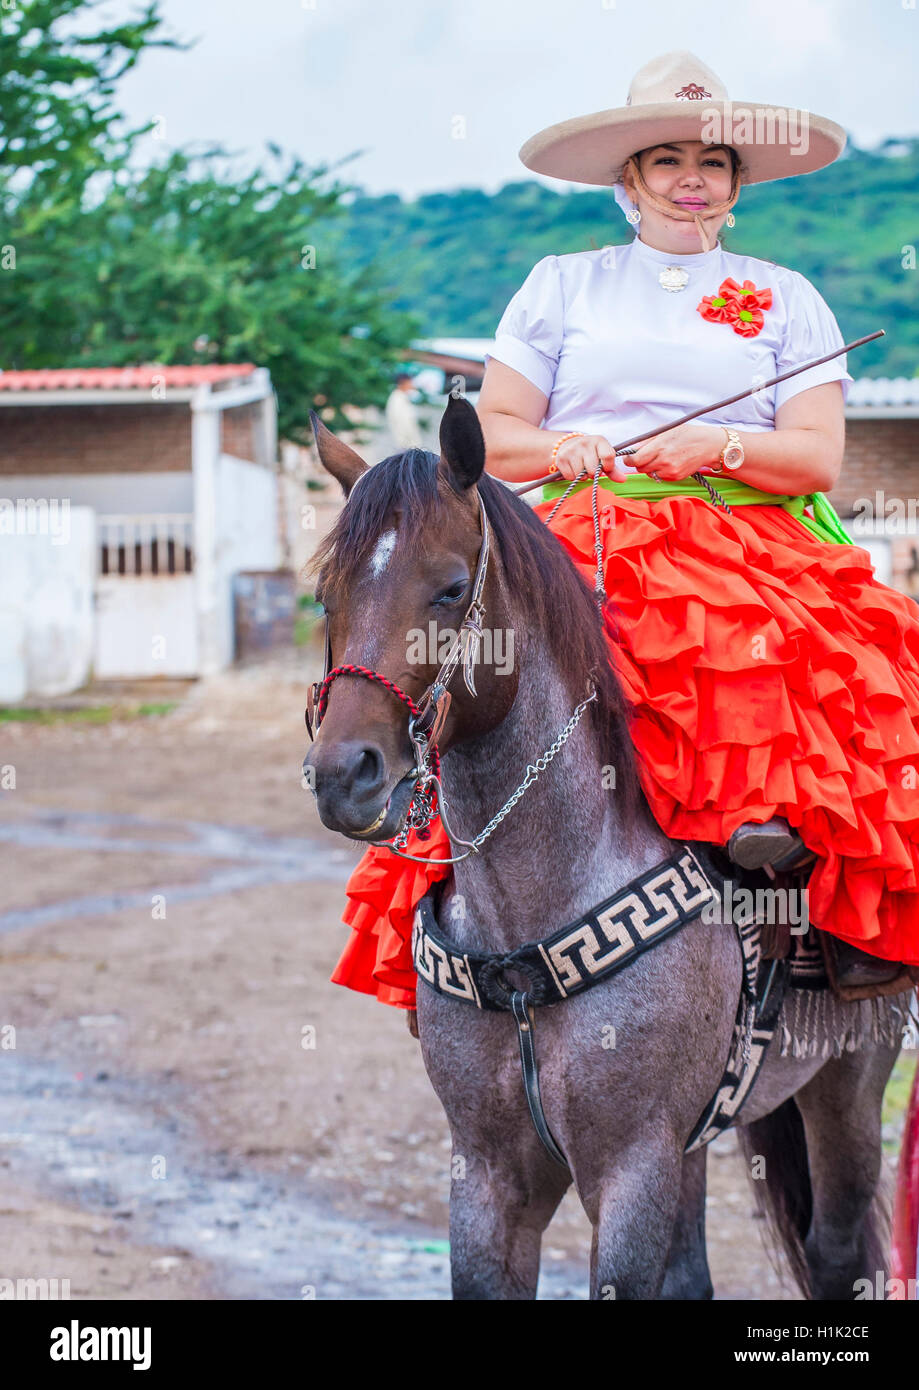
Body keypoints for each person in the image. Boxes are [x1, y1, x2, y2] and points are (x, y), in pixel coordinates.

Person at [333, 50, 919, 1006]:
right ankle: (451, 867)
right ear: (627, 182)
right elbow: (497, 436)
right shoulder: (562, 283)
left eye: (713, 162)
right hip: (581, 527)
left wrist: (716, 446)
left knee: (852, 670)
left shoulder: (788, 295)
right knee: (465, 659)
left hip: (746, 535)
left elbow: (815, 460)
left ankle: (804, 906)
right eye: (667, 160)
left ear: (736, 185)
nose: (693, 179)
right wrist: (564, 444)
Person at [384, 372, 423, 450]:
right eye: (410, 383)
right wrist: (410, 444)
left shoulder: (402, 397)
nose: (412, 385)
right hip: (406, 446)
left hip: (408, 445)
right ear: (403, 383)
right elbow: (403, 424)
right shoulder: (397, 399)